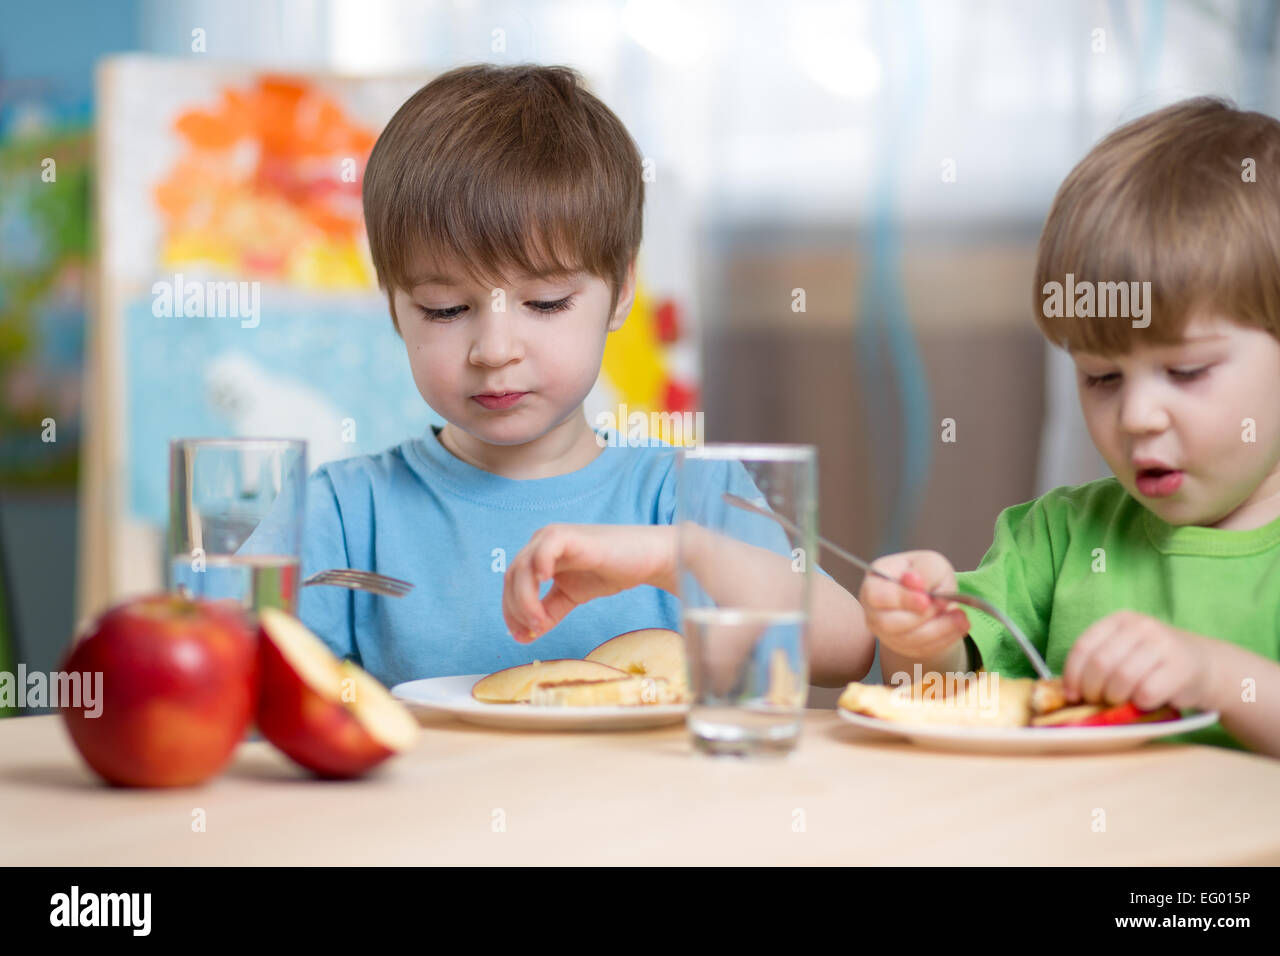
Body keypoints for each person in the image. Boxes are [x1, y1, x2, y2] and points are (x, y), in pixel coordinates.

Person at [271, 63, 872, 689]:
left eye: (547, 302)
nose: (495, 349)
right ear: (394, 303)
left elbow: (847, 649)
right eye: (445, 309)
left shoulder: (687, 496)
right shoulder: (340, 513)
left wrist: (678, 556)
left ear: (621, 293)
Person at [859, 98, 1280, 762]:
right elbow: (945, 695)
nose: (1137, 416)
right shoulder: (1058, 540)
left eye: (1184, 371)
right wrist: (919, 639)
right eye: (1101, 377)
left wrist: (1213, 675)